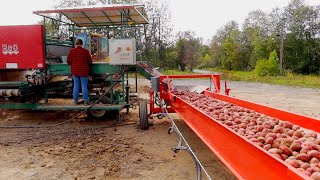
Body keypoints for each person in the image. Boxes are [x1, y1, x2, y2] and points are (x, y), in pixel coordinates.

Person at [67, 39, 93, 105]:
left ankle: (75, 101)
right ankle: (85, 101)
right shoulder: (86, 51)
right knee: (84, 86)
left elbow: (68, 61)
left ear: (76, 44)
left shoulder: (71, 51)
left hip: (75, 71)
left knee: (76, 86)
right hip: (84, 71)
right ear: (82, 44)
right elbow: (90, 61)